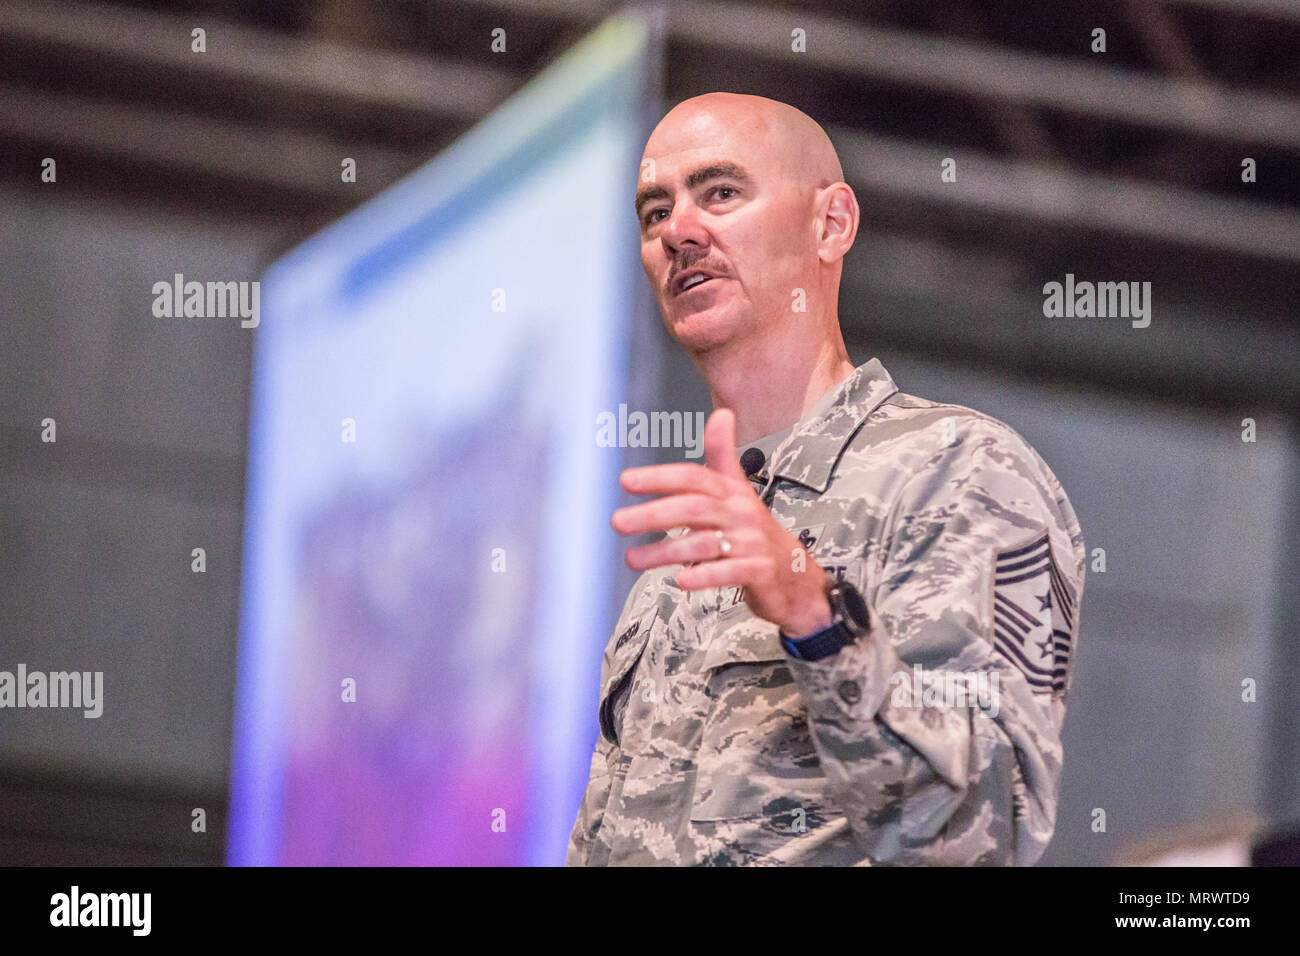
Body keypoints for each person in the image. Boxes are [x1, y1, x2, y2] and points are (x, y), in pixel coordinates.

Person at [565, 92, 1086, 866]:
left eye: (720, 192)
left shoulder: (961, 471)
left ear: (832, 224)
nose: (677, 230)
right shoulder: (687, 555)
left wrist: (816, 613)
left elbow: (988, 829)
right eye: (653, 213)